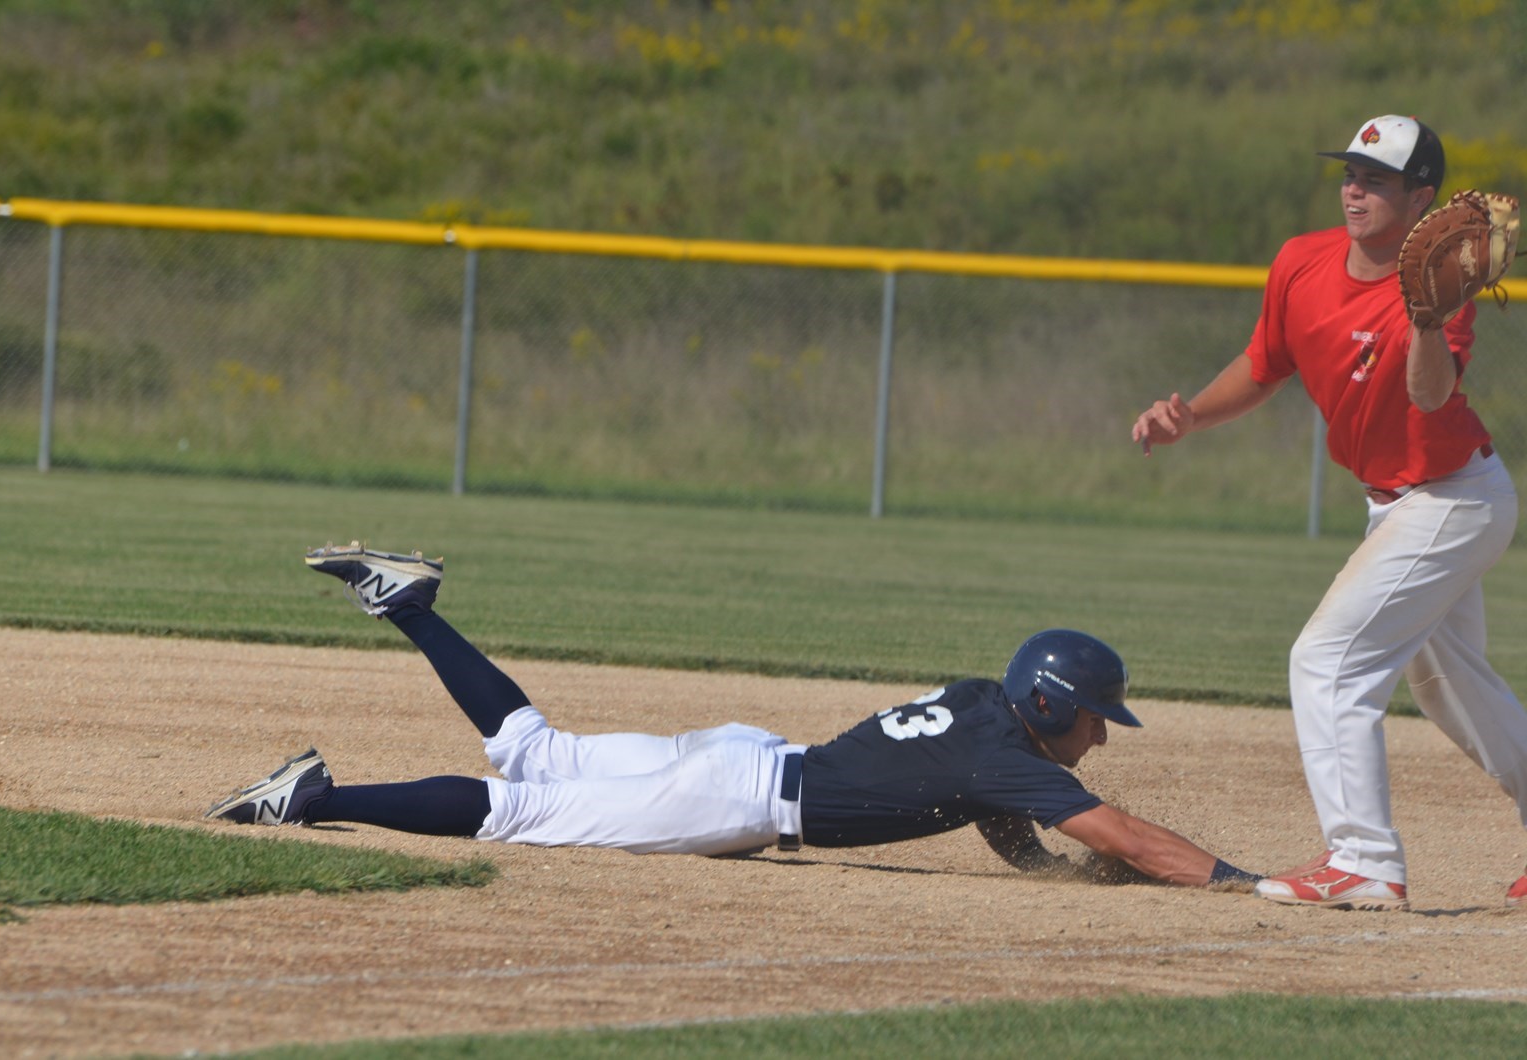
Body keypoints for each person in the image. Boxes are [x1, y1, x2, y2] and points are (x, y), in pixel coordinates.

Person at [206, 543, 1258, 891]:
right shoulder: (1011, 748)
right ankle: (318, 796)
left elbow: (991, 800)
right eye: (1096, 719)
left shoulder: (982, 705)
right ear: (1049, 707)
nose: (1101, 736)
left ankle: (408, 604)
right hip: (738, 793)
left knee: (538, 746)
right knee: (518, 808)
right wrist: (1241, 881)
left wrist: (1033, 865)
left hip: (741, 754)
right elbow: (1116, 829)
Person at [1132, 114, 1527, 912]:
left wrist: (1423, 315)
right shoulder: (1301, 261)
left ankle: (1364, 860)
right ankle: (1367, 856)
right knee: (1449, 681)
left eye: (1377, 179)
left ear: (1422, 198)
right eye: (1350, 173)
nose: (1355, 189)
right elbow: (1263, 363)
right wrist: (1192, 417)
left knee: (1329, 661)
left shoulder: (1443, 288)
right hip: (1396, 505)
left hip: (1451, 499)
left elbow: (1429, 394)